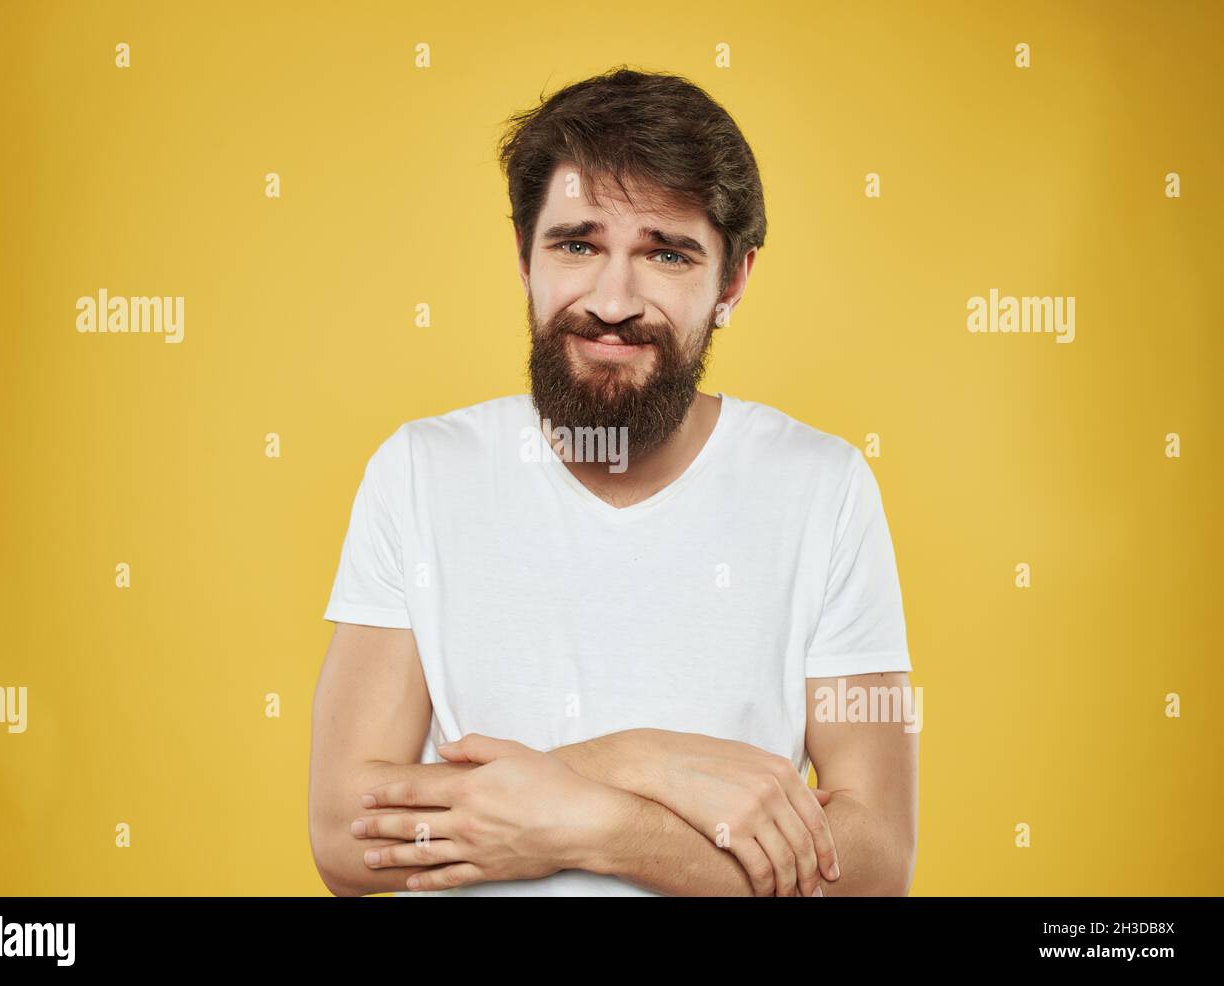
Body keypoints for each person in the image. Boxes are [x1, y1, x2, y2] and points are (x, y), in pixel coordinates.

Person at [308, 66, 918, 896]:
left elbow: (876, 861)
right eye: (578, 244)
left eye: (666, 253)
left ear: (731, 281)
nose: (613, 299)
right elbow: (348, 836)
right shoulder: (419, 473)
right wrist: (645, 760)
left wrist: (607, 827)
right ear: (525, 255)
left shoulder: (825, 488)